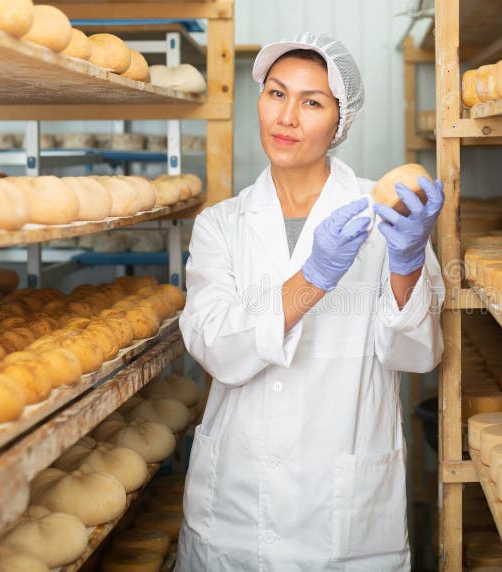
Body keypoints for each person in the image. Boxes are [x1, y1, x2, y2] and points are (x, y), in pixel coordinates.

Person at [175, 32, 445, 571]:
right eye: (276, 93)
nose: (288, 117)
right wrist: (314, 278)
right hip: (235, 504)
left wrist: (409, 260)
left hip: (341, 511)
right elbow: (216, 348)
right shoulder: (221, 225)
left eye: (312, 102)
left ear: (340, 122)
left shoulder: (384, 215)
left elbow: (416, 356)